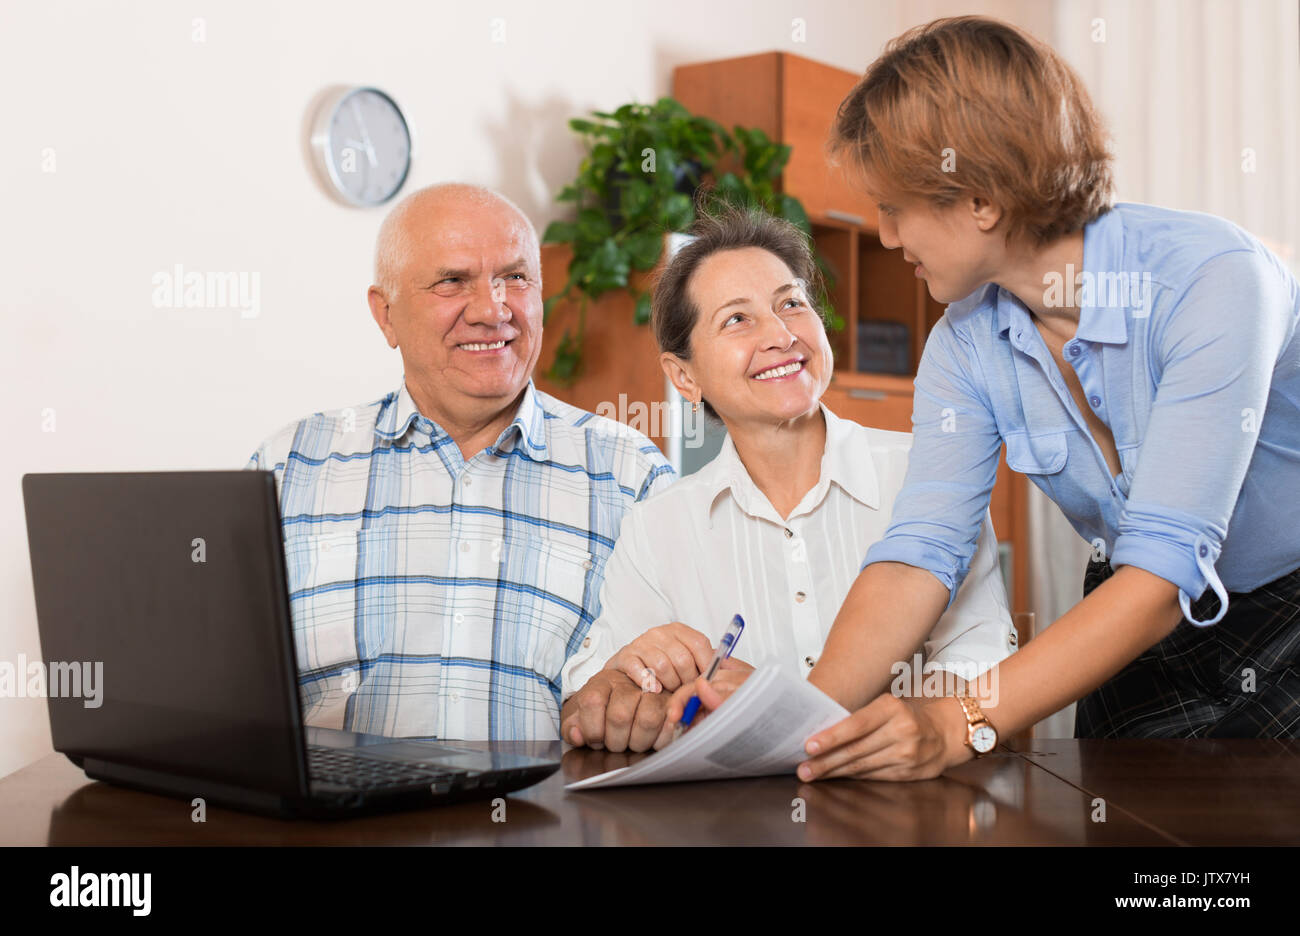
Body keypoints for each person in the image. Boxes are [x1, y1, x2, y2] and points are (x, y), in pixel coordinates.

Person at [672, 16, 1300, 780]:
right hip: (1125, 615)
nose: (887, 233)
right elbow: (919, 557)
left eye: (896, 207)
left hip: (1278, 611)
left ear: (981, 201)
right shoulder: (964, 341)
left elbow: (1166, 571)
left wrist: (956, 720)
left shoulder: (1213, 278)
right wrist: (800, 730)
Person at [559, 206, 1017, 752]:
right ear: (684, 376)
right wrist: (630, 695)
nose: (780, 335)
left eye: (791, 304)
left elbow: (981, 667)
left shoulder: (931, 475)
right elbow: (595, 702)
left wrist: (792, 713)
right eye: (737, 319)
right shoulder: (658, 528)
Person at [246, 183, 674, 741]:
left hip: (546, 822)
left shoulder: (632, 476)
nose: (492, 309)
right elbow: (221, 672)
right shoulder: (289, 467)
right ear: (386, 315)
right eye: (452, 281)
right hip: (335, 828)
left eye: (515, 278)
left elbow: (682, 680)